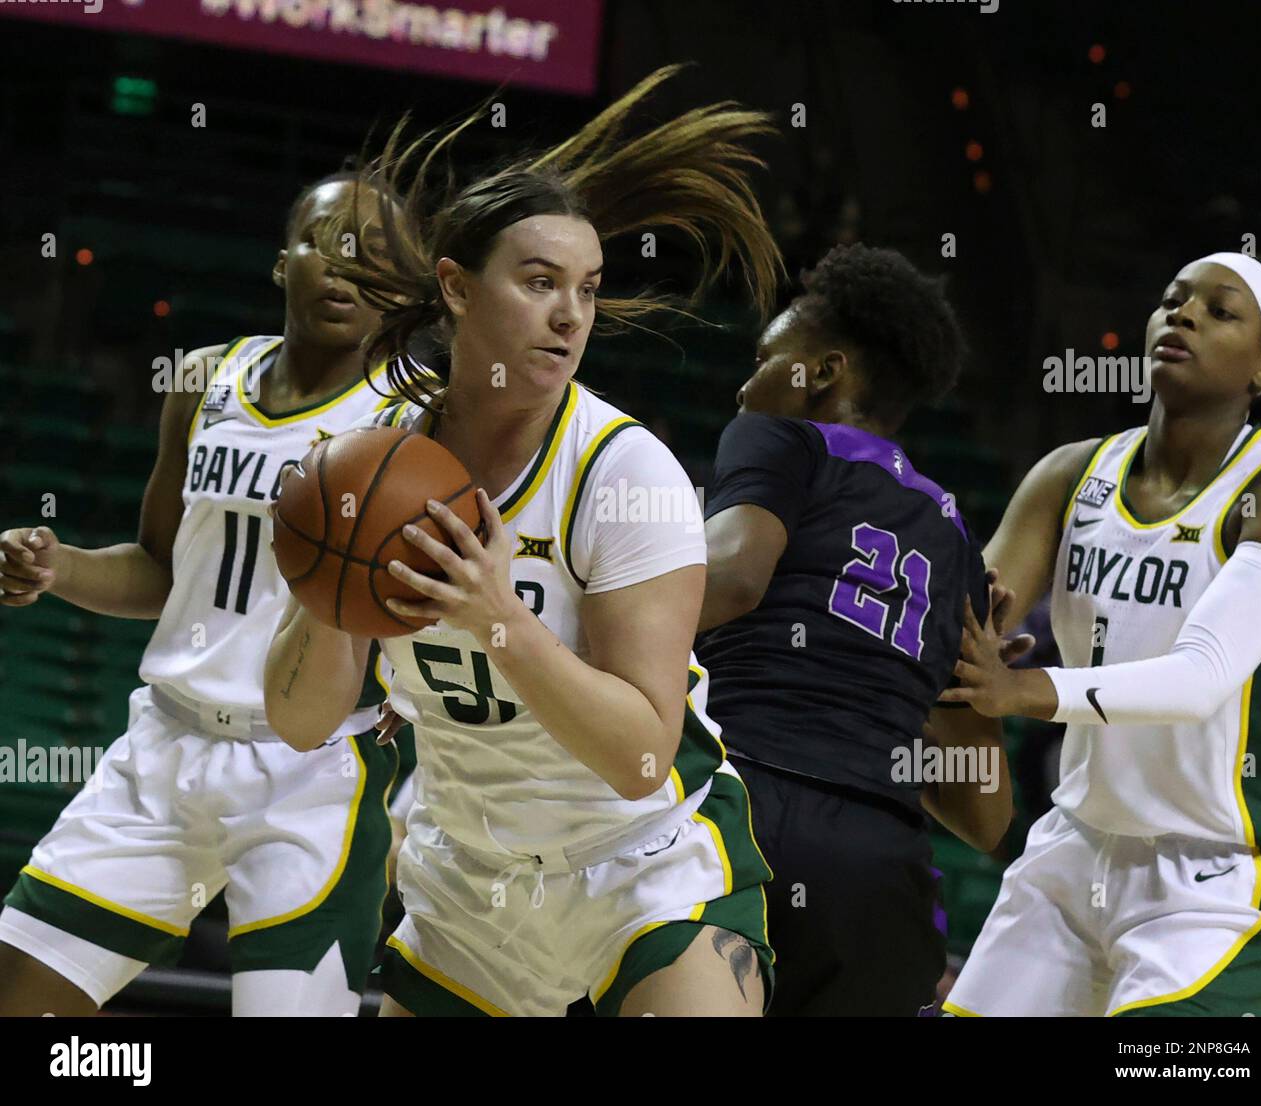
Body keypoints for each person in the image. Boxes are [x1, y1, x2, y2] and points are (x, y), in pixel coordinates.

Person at [263, 65, 785, 1018]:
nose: (571, 315)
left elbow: (641, 759)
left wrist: (498, 617)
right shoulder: (377, 462)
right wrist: (326, 589)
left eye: (587, 289)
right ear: (457, 288)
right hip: (472, 879)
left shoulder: (624, 472)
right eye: (540, 283)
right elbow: (299, 723)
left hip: (641, 865)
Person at [0, 172, 400, 1016]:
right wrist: (59, 566)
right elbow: (161, 568)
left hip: (311, 773)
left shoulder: (411, 419)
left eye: (371, 254)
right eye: (322, 242)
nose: (343, 267)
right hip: (165, 745)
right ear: (281, 260)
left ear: (402, 286)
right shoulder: (206, 376)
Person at [940, 252, 1261, 1018]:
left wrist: (1025, 689)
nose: (1184, 315)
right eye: (1173, 300)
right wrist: (971, 642)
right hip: (1074, 848)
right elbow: (970, 626)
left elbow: (1201, 677)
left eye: (1219, 310)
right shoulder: (1072, 474)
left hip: (1217, 876)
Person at [694, 243, 1012, 1016]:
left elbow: (733, 579)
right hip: (879, 869)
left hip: (735, 806)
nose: (745, 386)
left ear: (823, 372)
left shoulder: (779, 436)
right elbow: (985, 815)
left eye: (764, 360)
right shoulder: (957, 541)